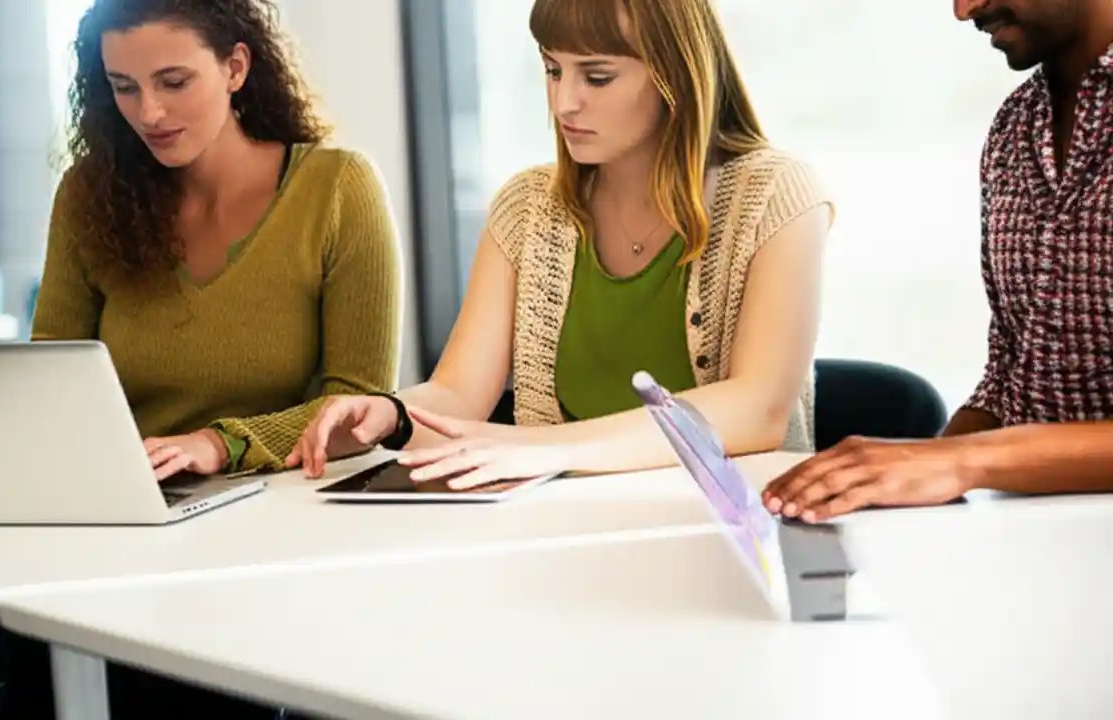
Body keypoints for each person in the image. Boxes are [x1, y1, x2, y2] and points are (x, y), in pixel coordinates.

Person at [0, 0, 399, 717]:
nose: (149, 111)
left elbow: (356, 410)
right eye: (123, 86)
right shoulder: (89, 195)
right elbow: (51, 370)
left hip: (261, 528)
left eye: (173, 80)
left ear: (236, 66)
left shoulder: (338, 190)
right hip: (117, 514)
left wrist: (218, 444)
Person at [291, 0, 833, 488]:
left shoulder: (773, 194)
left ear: (676, 75)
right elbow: (457, 396)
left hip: (722, 540)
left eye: (597, 77)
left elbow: (757, 409)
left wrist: (539, 448)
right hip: (558, 534)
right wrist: (392, 415)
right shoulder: (526, 208)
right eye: (553, 70)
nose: (563, 102)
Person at [763, 0, 1113, 524]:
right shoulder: (1015, 128)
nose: (963, 9)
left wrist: (961, 461)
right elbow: (1012, 380)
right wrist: (885, 484)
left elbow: (975, 457)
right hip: (1033, 542)